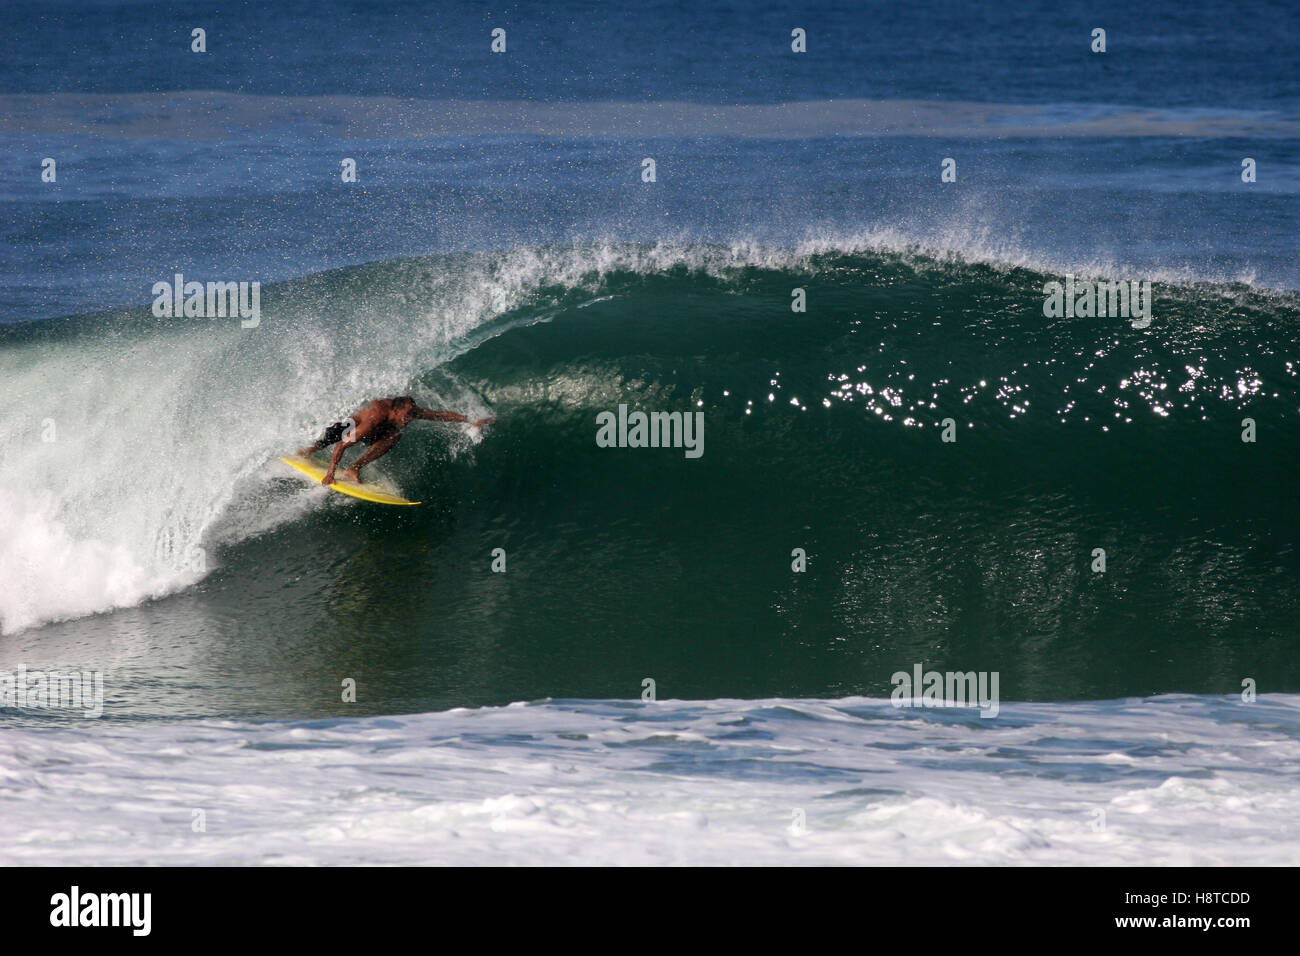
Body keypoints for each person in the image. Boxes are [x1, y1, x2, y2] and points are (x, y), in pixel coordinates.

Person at [298, 396, 494, 485]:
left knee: (394, 435)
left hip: (376, 428)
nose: (409, 419)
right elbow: (343, 444)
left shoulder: (408, 410)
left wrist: (470, 420)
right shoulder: (375, 417)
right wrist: (330, 473)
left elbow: (438, 415)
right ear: (395, 410)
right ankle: (301, 451)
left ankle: (353, 468)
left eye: (412, 415)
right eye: (406, 415)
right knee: (313, 447)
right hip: (345, 425)